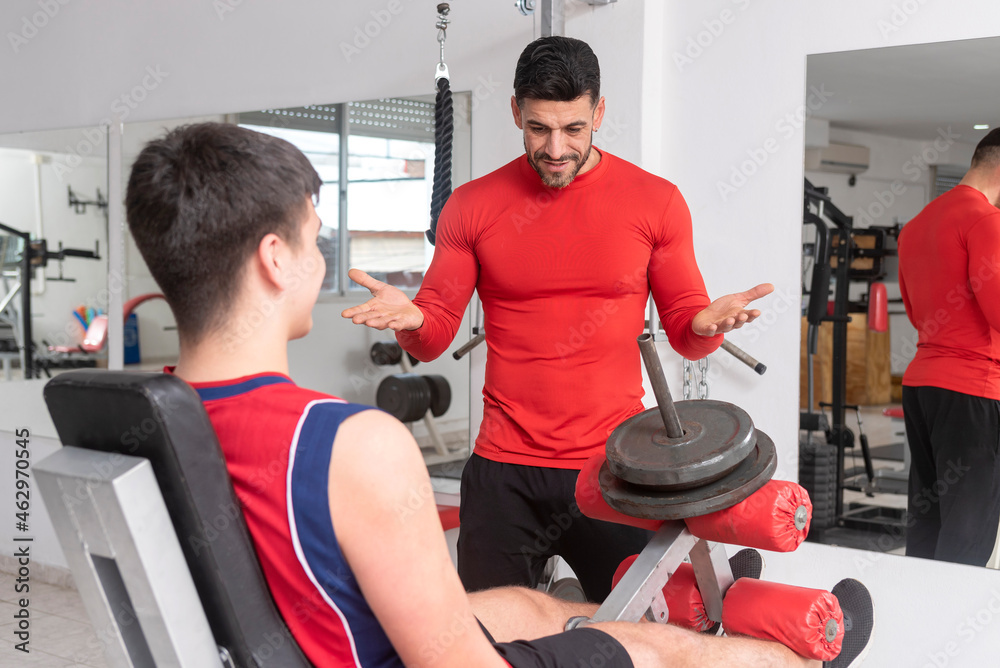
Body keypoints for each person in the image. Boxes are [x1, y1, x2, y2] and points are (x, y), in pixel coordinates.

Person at [123, 121, 845, 668]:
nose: (323, 258)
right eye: (316, 240)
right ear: (275, 259)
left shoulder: (149, 419)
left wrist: (701, 324)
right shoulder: (350, 442)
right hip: (452, 610)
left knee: (534, 604)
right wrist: (627, 648)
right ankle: (798, 656)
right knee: (658, 644)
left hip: (361, 625)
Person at [343, 35, 772, 601]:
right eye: (539, 128)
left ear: (598, 112)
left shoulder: (655, 202)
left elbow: (685, 333)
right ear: (516, 111)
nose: (555, 148)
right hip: (503, 469)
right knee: (491, 640)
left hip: (613, 468)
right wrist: (412, 319)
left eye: (573, 129)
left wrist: (703, 327)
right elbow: (434, 336)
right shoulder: (472, 205)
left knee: (631, 638)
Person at [898, 127, 1000, 566]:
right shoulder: (986, 220)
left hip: (923, 385)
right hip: (972, 388)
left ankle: (921, 623)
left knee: (930, 518)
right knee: (969, 531)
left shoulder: (918, 224)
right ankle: (954, 630)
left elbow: (917, 310)